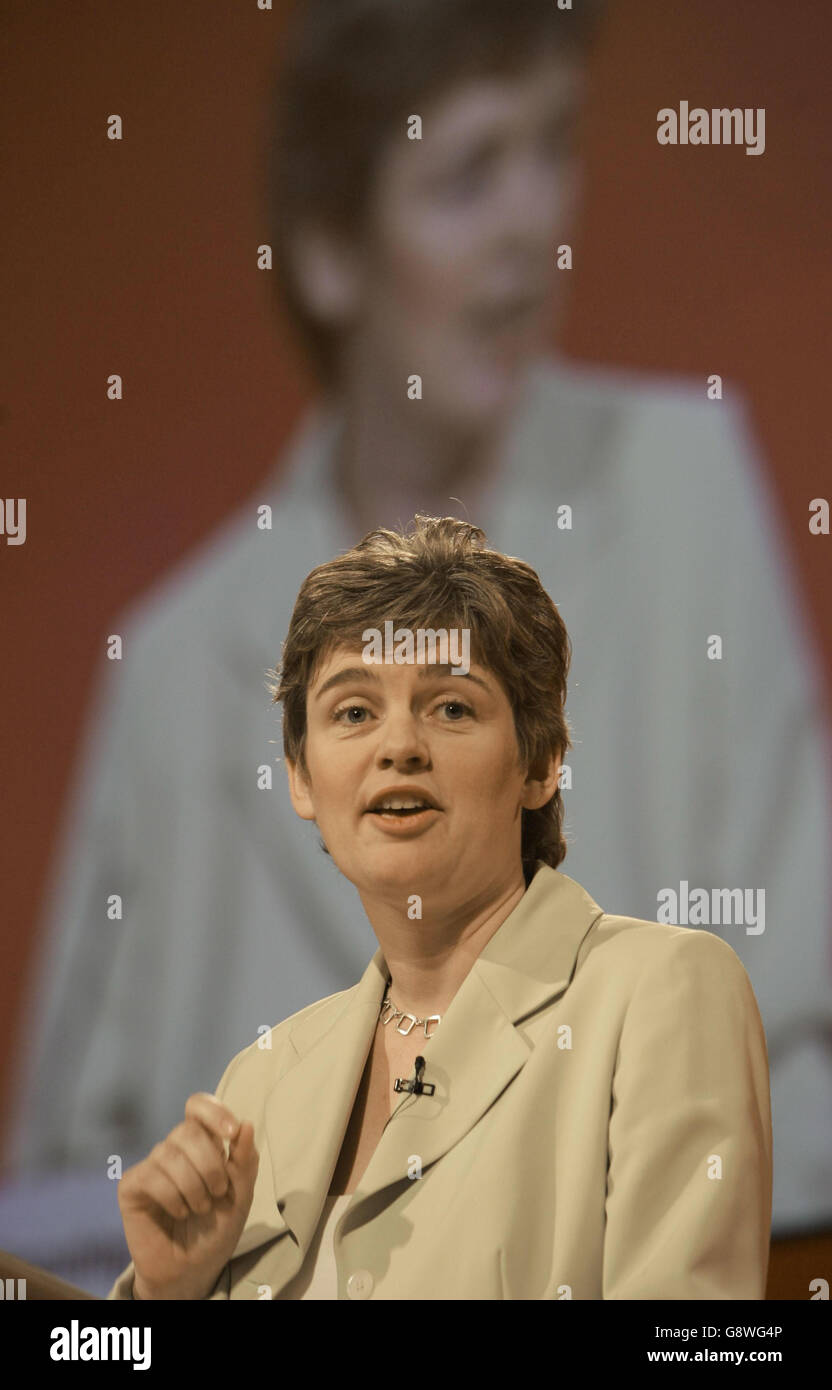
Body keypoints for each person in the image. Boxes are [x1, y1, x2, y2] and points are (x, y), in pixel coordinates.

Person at [4, 0, 828, 1297]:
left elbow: (811, 1044)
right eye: (466, 175)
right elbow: (64, 1193)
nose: (532, 226)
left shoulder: (686, 486)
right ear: (333, 254)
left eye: (550, 147)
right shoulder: (173, 664)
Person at [106, 515, 772, 1300]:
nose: (399, 746)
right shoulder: (261, 1080)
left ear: (541, 761)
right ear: (301, 778)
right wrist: (166, 1294)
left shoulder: (659, 992)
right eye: (353, 712)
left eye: (452, 708)